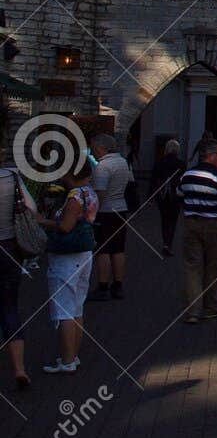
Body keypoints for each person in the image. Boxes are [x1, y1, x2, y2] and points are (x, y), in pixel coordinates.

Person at [45, 157, 98, 374]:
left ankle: (67, 360)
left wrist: (42, 220)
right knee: (76, 307)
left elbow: (66, 226)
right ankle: (73, 356)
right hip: (84, 253)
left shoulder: (74, 196)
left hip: (67, 256)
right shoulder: (89, 192)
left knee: (64, 309)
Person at [178, 138, 217, 325]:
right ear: (212, 155)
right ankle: (211, 307)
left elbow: (180, 194)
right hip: (214, 225)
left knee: (192, 268)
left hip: (192, 225)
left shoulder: (187, 174)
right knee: (212, 267)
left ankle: (194, 311)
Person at [0, 147, 38, 390]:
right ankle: (19, 369)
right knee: (9, 307)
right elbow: (31, 209)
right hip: (9, 249)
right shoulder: (12, 177)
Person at [88, 132, 132, 301]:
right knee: (118, 249)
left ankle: (103, 286)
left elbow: (100, 193)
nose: (92, 152)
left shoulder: (102, 166)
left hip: (105, 211)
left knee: (103, 250)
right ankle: (118, 285)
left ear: (101, 148)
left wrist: (91, 213)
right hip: (120, 208)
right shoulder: (123, 162)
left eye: (93, 148)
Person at [150, 139, 184, 257]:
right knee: (173, 220)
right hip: (176, 195)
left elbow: (153, 180)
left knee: (164, 220)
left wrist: (150, 196)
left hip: (162, 194)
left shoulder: (160, 162)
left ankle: (165, 242)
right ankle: (169, 243)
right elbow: (183, 181)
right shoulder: (181, 163)